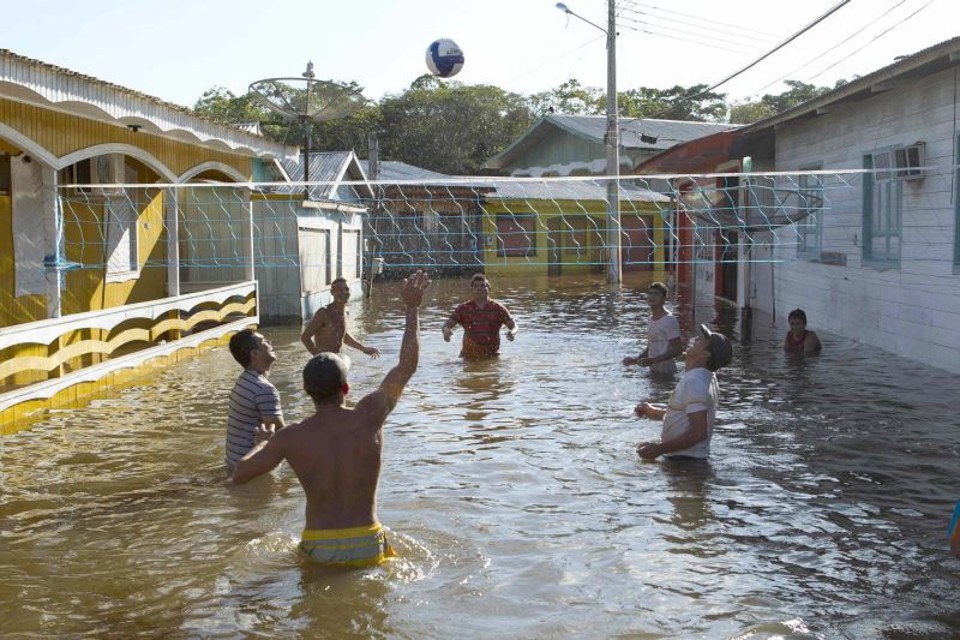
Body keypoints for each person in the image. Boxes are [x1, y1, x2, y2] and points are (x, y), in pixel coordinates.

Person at [230, 270, 432, 569]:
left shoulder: (291, 437)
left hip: (318, 544)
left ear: (307, 391)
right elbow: (407, 365)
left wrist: (263, 443)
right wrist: (412, 309)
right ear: (346, 388)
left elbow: (239, 475)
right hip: (367, 540)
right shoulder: (369, 417)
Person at [635, 323, 733, 461]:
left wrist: (659, 449)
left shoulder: (695, 381)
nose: (697, 338)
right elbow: (688, 416)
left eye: (703, 339)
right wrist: (654, 412)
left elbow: (698, 433)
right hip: (689, 460)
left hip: (685, 462)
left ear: (705, 354)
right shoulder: (707, 377)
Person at [225, 329, 286, 471]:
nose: (270, 344)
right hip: (252, 469)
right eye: (263, 341)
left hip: (234, 462)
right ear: (255, 354)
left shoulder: (244, 380)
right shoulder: (264, 390)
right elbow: (283, 435)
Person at [441, 273, 518, 360]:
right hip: (468, 357)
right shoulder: (463, 309)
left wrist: (513, 333)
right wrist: (446, 332)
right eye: (476, 286)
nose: (479, 288)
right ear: (472, 289)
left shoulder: (498, 308)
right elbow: (446, 325)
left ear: (489, 289)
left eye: (482, 286)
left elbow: (514, 325)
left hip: (492, 357)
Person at [301, 277, 380, 359]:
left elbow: (343, 336)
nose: (344, 292)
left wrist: (363, 349)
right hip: (324, 364)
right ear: (332, 292)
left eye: (346, 289)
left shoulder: (345, 311)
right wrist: (319, 357)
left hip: (336, 359)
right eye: (339, 289)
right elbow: (305, 337)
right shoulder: (323, 312)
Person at [623, 281, 683, 376]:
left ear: (664, 298)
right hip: (653, 370)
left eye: (656, 294)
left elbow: (678, 349)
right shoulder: (650, 319)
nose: (652, 296)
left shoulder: (669, 319)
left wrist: (653, 360)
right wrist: (636, 360)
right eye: (650, 293)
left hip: (667, 372)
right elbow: (652, 345)